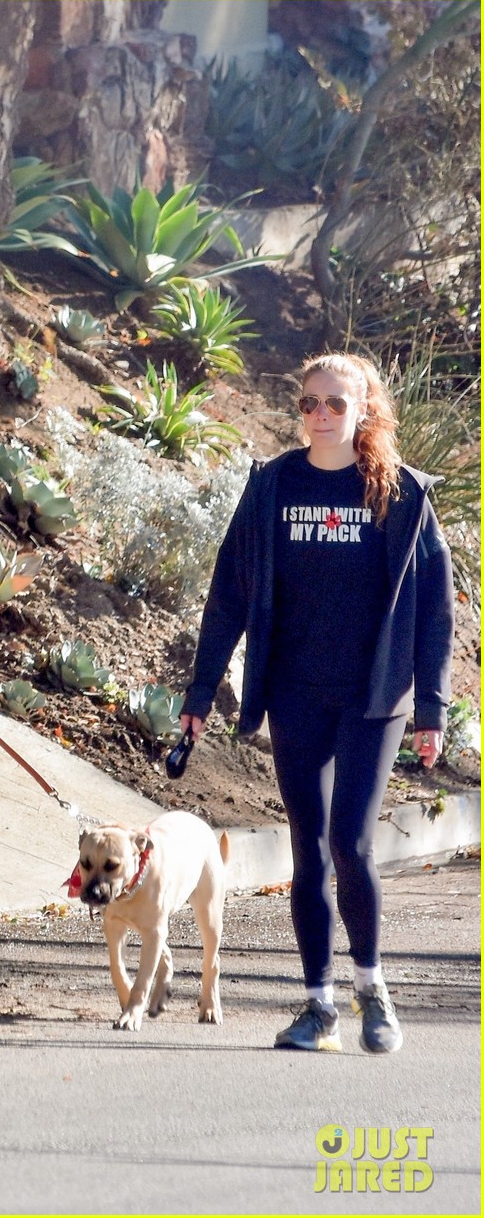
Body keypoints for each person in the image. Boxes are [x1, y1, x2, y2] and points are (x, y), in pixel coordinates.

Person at [180, 352, 453, 1055]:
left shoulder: (402, 493)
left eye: (336, 402)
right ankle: (317, 1006)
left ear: (365, 409)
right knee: (308, 849)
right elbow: (228, 594)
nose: (322, 414)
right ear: (297, 409)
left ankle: (371, 986)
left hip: (373, 698)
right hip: (294, 692)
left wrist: (431, 709)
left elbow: (431, 613)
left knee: (350, 843)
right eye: (309, 403)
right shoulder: (271, 486)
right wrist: (199, 691)